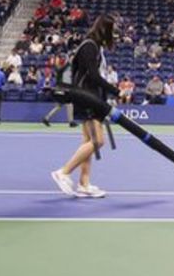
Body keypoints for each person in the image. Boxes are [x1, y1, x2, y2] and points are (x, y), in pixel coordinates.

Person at [50, 15, 121, 199]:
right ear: (104, 29)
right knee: (98, 141)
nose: (113, 35)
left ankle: (84, 184)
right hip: (87, 98)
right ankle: (64, 172)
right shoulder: (90, 45)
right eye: (112, 30)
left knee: (88, 143)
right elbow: (92, 75)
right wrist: (114, 89)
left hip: (91, 97)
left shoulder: (95, 46)